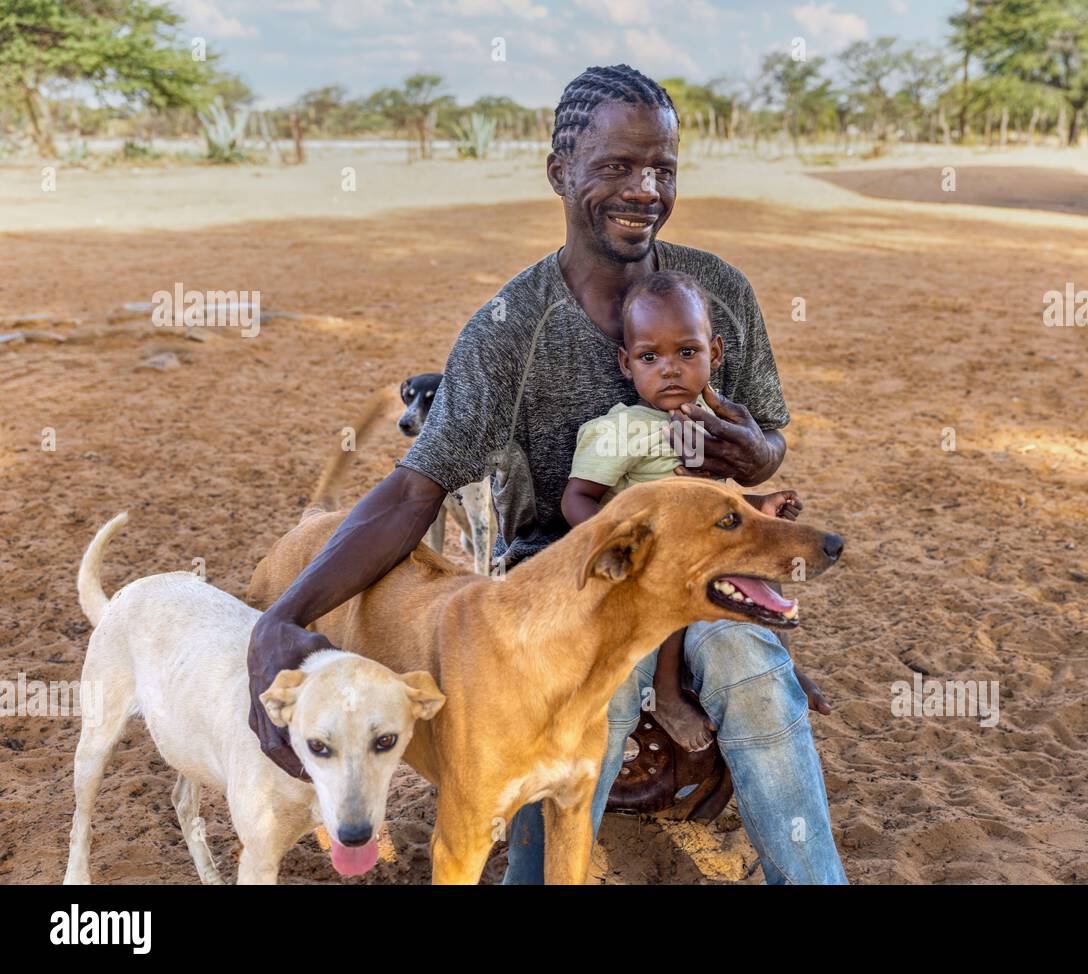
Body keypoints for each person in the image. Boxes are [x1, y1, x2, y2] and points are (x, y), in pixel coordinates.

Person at [246, 63, 847, 884]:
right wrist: (283, 615)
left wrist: (764, 455)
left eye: (663, 169)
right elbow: (413, 489)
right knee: (570, 693)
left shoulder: (717, 295)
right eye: (616, 166)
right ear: (560, 170)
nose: (644, 189)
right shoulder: (508, 328)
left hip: (686, 572)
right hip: (554, 586)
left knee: (752, 673)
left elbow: (765, 435)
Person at [562, 269, 822, 753]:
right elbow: (576, 496)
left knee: (764, 561)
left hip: (704, 544)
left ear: (714, 354)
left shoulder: (714, 424)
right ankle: (664, 692)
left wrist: (759, 506)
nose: (670, 369)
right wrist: (619, 544)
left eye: (687, 352)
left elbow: (714, 499)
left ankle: (784, 667)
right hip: (646, 555)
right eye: (649, 357)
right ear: (626, 364)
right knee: (674, 587)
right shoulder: (623, 431)